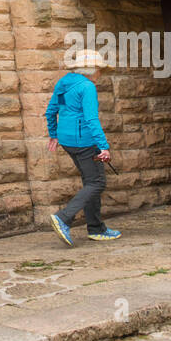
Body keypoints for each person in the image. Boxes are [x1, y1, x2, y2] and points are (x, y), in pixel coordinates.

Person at [46, 48, 122, 245]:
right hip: (84, 142)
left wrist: (53, 134)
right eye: (99, 69)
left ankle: (96, 229)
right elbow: (91, 119)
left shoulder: (63, 83)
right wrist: (103, 146)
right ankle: (63, 217)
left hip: (67, 141)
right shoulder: (87, 87)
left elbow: (51, 111)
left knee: (91, 182)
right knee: (97, 182)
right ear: (91, 69)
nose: (100, 73)